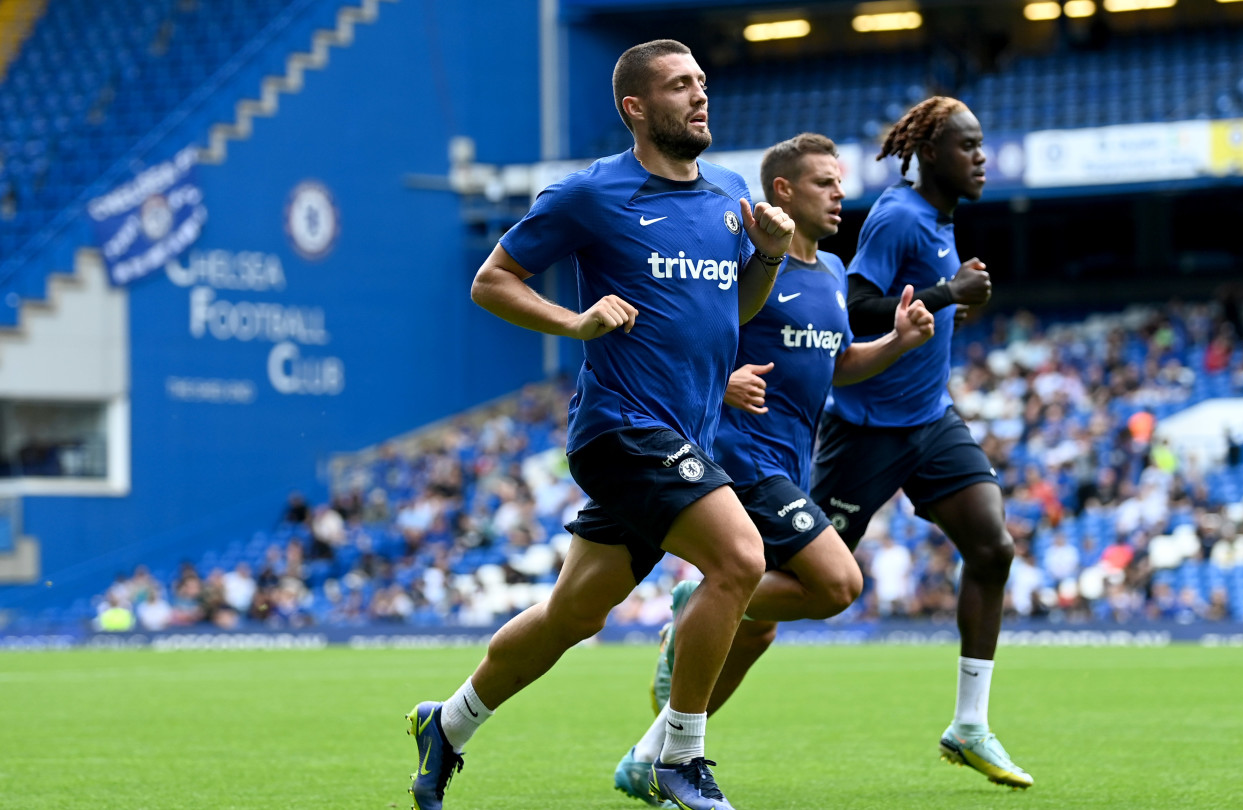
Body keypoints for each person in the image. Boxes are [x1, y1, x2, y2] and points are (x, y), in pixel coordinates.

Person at [405, 40, 795, 810]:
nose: (699, 95)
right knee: (739, 557)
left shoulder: (729, 193)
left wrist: (770, 258)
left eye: (701, 82)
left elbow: (732, 309)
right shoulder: (592, 193)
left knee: (573, 613)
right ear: (635, 108)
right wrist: (575, 322)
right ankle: (679, 755)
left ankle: (446, 724)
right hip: (622, 429)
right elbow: (492, 281)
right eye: (679, 85)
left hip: (683, 434)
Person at [612, 132, 936, 806]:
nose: (840, 193)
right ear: (783, 190)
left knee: (755, 632)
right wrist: (722, 378)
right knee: (839, 583)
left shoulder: (835, 272)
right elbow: (685, 329)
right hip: (741, 458)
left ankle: (650, 755)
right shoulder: (752, 261)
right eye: (824, 182)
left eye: (840, 182)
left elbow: (838, 365)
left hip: (791, 464)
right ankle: (695, 600)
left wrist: (898, 342)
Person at [810, 96, 1034, 788]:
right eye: (968, 147)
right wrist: (948, 291)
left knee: (993, 548)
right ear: (930, 154)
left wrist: (955, 303)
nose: (981, 158)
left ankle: (970, 725)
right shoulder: (899, 216)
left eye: (982, 145)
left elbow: (919, 313)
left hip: (931, 420)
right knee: (804, 582)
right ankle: (695, 614)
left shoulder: (940, 218)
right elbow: (855, 311)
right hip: (867, 430)